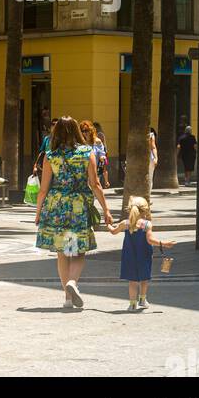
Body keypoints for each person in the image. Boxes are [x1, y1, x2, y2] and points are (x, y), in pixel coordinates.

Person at [35, 116, 114, 310]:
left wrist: (38, 212)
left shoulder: (50, 155)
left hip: (56, 205)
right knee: (78, 250)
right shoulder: (87, 152)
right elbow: (95, 184)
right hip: (79, 204)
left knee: (63, 252)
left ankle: (67, 298)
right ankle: (73, 282)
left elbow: (43, 189)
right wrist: (106, 209)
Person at [109, 196, 175, 312]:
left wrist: (108, 225)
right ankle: (143, 299)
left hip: (129, 255)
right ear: (145, 210)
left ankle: (132, 304)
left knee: (132, 281)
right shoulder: (146, 224)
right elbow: (150, 240)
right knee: (144, 279)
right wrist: (164, 243)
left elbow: (113, 232)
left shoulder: (125, 223)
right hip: (144, 255)